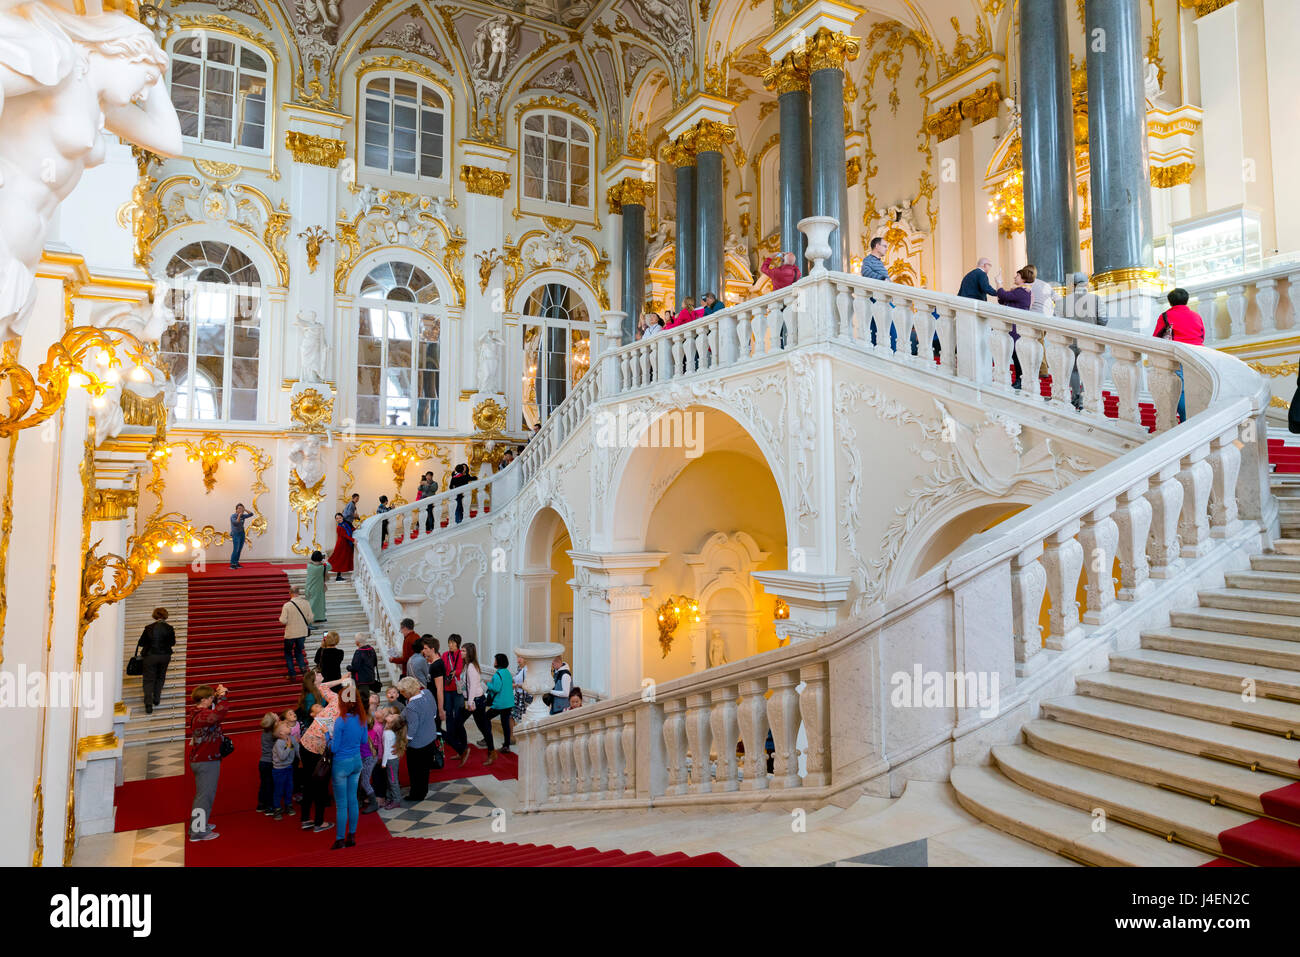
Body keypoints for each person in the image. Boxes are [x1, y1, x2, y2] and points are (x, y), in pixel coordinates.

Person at [298, 673, 349, 832]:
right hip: (317, 750)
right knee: (320, 785)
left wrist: (341, 680)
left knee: (308, 783)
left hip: (305, 743)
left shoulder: (335, 700)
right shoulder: (344, 717)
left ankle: (305, 819)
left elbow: (322, 686)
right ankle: (319, 822)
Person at [1153, 287, 1206, 423]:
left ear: (1170, 302)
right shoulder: (1196, 316)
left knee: (1181, 390)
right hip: (1198, 355)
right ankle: (1198, 420)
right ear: (1186, 300)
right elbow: (1202, 335)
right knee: (1196, 388)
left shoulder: (1165, 316)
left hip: (1178, 355)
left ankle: (1186, 420)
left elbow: (1156, 338)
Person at [325, 684, 367, 849]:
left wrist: (328, 736)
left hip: (341, 764)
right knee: (353, 801)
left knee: (341, 804)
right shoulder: (361, 718)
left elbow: (334, 748)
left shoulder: (340, 721)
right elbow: (363, 741)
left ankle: (340, 838)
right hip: (356, 761)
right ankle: (352, 836)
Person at [188, 682, 229, 842]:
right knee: (204, 796)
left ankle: (200, 824)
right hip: (206, 760)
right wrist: (223, 697)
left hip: (203, 758)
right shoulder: (203, 715)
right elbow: (219, 714)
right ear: (204, 699)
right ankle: (198, 831)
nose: (213, 700)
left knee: (205, 795)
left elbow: (215, 713)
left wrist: (219, 697)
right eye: (211, 698)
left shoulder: (199, 712)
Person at [1063, 272, 1107, 410]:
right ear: (1087, 284)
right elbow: (1103, 320)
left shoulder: (1064, 300)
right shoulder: (1096, 299)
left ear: (1073, 285)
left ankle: (1076, 396)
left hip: (1071, 340)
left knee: (1074, 369)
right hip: (1089, 339)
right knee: (1089, 369)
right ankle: (1084, 397)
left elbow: (1056, 320)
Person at [397, 675, 439, 802]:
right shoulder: (427, 693)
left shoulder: (412, 706)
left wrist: (404, 742)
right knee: (425, 769)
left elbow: (412, 730)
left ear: (406, 692)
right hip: (431, 736)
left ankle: (416, 795)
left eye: (401, 692)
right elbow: (434, 712)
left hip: (418, 744)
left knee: (415, 771)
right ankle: (423, 790)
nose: (401, 694)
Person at [459, 642, 495, 766]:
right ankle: (462, 750)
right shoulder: (468, 665)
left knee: (482, 727)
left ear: (469, 652)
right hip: (474, 700)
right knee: (481, 726)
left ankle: (491, 752)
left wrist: (470, 702)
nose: (461, 652)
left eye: (463, 651)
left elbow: (473, 686)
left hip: (476, 701)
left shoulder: (471, 667)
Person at [134, 606, 175, 715]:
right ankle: (156, 699)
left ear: (155, 615)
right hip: (165, 656)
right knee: (161, 676)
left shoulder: (148, 628)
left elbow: (141, 643)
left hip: (150, 656)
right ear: (165, 616)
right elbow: (172, 643)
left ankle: (148, 704)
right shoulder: (170, 628)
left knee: (148, 679)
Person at [279, 586, 314, 682]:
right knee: (299, 652)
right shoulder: (306, 603)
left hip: (290, 634)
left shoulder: (287, 605)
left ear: (290, 593)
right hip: (302, 633)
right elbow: (310, 618)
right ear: (299, 593)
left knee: (288, 653)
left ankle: (292, 674)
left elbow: (283, 620)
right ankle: (303, 670)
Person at [485, 653, 515, 757]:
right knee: (505, 723)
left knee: (485, 718)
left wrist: (487, 684)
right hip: (509, 702)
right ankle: (506, 745)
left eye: (495, 660)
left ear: (498, 662)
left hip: (500, 703)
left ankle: (487, 738)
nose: (494, 662)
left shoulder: (498, 674)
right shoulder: (507, 672)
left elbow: (496, 688)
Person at [271, 720, 298, 821]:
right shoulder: (279, 743)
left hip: (289, 768)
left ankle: (288, 805)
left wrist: (301, 759)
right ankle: (277, 808)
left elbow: (297, 749)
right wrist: (289, 746)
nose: (289, 726)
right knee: (279, 789)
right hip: (279, 770)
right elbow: (282, 757)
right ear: (281, 733)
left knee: (289, 788)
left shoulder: (291, 738)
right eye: (287, 726)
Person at [381, 712, 406, 810]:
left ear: (392, 724)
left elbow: (387, 750)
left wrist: (383, 763)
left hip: (390, 761)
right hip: (391, 760)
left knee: (392, 781)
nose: (390, 714)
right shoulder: (388, 730)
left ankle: (396, 800)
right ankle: (390, 797)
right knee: (389, 780)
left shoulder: (388, 734)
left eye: (392, 716)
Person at [256, 711, 278, 815]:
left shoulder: (264, 732)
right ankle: (270, 806)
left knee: (264, 784)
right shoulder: (274, 734)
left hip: (263, 762)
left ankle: (261, 804)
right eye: (275, 715)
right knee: (270, 785)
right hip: (270, 762)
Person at [349, 632, 381, 696]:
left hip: (361, 680)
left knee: (363, 699)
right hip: (370, 678)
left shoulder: (358, 652)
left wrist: (348, 667)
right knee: (366, 696)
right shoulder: (371, 649)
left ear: (357, 642)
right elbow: (375, 663)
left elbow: (355, 667)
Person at [442, 634, 465, 720]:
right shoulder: (445, 655)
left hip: (458, 687)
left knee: (458, 713)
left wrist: (456, 672)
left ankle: (457, 732)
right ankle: (450, 733)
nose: (450, 645)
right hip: (447, 687)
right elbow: (442, 669)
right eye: (449, 643)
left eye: (452, 643)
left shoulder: (461, 654)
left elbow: (464, 670)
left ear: (457, 643)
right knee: (448, 713)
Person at [327, 512, 355, 581]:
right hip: (341, 546)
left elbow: (349, 531)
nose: (338, 519)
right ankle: (337, 576)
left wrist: (355, 529)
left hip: (345, 545)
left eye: (340, 518)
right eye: (337, 518)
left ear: (342, 517)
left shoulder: (345, 524)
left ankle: (339, 576)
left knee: (342, 560)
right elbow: (345, 535)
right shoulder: (339, 527)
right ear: (336, 520)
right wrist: (353, 540)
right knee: (339, 560)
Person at [304, 551, 328, 622]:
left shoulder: (309, 565)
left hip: (310, 586)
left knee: (317, 603)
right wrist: (325, 560)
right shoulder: (321, 567)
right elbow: (330, 566)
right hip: (317, 588)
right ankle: (309, 621)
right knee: (314, 604)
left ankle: (318, 618)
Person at [229, 503, 254, 569]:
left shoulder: (243, 515)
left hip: (242, 533)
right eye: (239, 508)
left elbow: (251, 514)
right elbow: (236, 523)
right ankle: (232, 564)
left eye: (241, 508)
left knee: (239, 549)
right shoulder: (233, 516)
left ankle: (236, 563)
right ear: (236, 509)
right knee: (236, 549)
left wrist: (245, 509)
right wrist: (239, 515)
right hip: (235, 534)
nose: (240, 510)